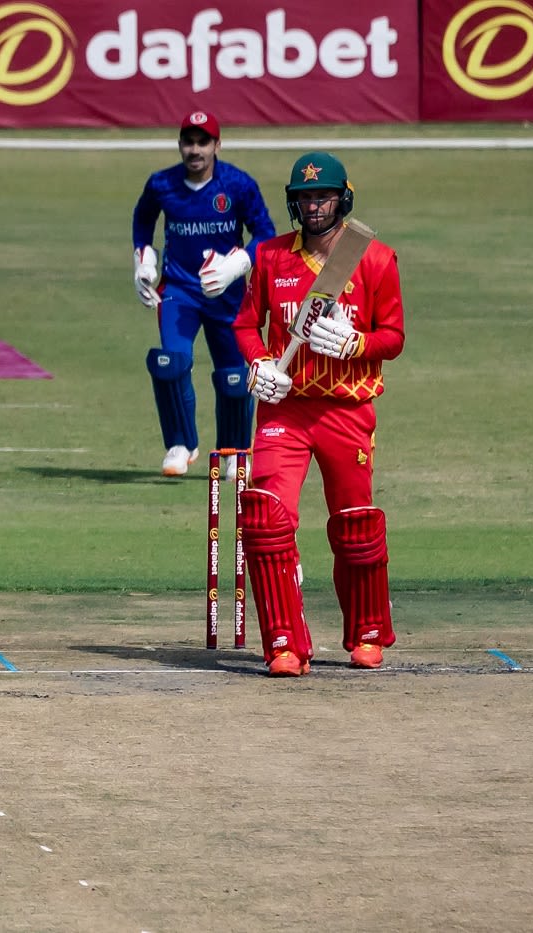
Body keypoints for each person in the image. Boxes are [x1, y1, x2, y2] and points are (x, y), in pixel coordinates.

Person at [233, 151, 406, 677]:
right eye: (305, 197)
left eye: (323, 196)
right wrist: (259, 364)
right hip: (284, 409)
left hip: (347, 410)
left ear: (342, 199)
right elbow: (245, 325)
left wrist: (357, 343)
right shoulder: (270, 257)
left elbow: (394, 338)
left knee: (354, 524)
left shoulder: (374, 259)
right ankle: (284, 643)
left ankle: (368, 632)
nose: (313, 206)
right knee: (265, 518)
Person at [132, 109, 276, 479]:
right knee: (171, 363)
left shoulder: (238, 185)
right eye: (188, 141)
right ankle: (180, 444)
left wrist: (235, 266)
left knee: (233, 376)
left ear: (216, 145)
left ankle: (234, 451)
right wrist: (144, 260)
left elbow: (266, 234)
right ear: (180, 144)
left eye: (203, 142)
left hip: (226, 294)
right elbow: (143, 220)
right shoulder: (162, 184)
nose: (195, 149)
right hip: (179, 290)